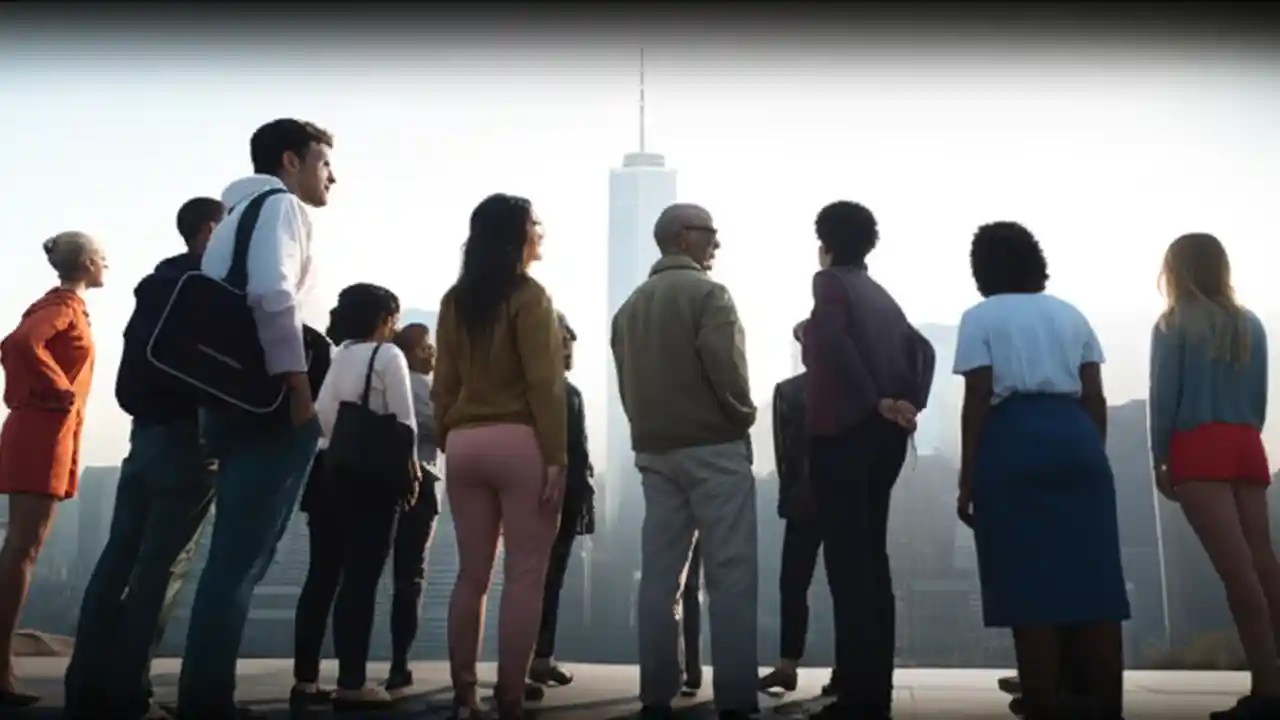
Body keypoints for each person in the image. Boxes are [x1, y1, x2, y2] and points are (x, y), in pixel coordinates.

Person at [176, 118, 336, 720]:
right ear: (291, 161)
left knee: (231, 557)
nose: (332, 177)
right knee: (242, 560)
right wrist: (299, 389)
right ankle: (207, 699)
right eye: (324, 164)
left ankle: (203, 691)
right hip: (270, 403)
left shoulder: (231, 220)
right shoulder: (284, 209)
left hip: (225, 400)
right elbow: (273, 294)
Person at [954, 221, 1129, 720]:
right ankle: (1106, 704)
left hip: (1013, 440)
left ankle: (1043, 700)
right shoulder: (1071, 315)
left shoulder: (981, 317)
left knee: (1027, 580)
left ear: (981, 268)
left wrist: (968, 478)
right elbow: (1095, 396)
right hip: (1076, 438)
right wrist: (1089, 454)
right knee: (1095, 581)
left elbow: (979, 398)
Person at [64, 198, 225, 720]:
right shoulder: (210, 288)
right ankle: (129, 695)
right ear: (209, 230)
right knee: (162, 569)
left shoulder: (157, 286)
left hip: (144, 437)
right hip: (188, 440)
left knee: (117, 563)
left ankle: (86, 688)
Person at [611, 202, 759, 720]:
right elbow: (728, 370)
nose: (717, 243)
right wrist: (744, 416)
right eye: (710, 233)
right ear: (682, 237)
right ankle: (738, 699)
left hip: (655, 452)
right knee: (732, 574)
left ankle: (657, 693)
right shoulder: (709, 294)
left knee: (660, 577)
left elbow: (627, 387)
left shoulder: (628, 308)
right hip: (714, 447)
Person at [433, 193, 566, 720]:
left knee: (472, 575)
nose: (542, 232)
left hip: (464, 444)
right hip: (519, 441)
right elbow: (545, 384)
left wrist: (450, 436)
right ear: (518, 236)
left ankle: (463, 696)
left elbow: (443, 384)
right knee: (526, 573)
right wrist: (556, 454)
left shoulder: (454, 300)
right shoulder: (530, 298)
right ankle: (509, 696)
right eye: (536, 224)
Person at [802, 201, 934, 720]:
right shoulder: (881, 295)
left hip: (845, 434)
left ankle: (857, 697)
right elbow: (921, 350)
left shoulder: (829, 282)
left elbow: (833, 342)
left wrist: (875, 397)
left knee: (847, 565)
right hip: (885, 439)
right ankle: (872, 690)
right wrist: (908, 402)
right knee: (871, 563)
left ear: (825, 242)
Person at [1149, 233, 1280, 720]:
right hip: (1246, 443)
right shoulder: (1251, 326)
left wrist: (1159, 458)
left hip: (1197, 446)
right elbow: (1261, 399)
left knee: (1236, 571)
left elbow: (1163, 398)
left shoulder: (1173, 323)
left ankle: (1268, 690)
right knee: (1265, 564)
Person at [0, 231, 106, 709]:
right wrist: (59, 389)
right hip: (43, 434)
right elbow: (20, 342)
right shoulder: (62, 306)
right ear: (85, 263)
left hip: (45, 432)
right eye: (102, 258)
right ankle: (0, 669)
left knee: (23, 548)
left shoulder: (65, 306)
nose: (107, 264)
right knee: (23, 549)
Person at [312, 283, 419, 710]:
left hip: (331, 473)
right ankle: (353, 681)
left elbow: (322, 419)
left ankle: (326, 678)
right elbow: (405, 421)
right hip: (374, 480)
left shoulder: (339, 357)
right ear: (385, 319)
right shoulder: (388, 355)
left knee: (330, 576)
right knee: (363, 579)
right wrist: (409, 474)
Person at [758, 321, 837, 698]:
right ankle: (802, 665)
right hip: (832, 500)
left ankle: (789, 665)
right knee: (819, 585)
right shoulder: (848, 390)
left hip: (805, 501)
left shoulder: (788, 392)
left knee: (796, 583)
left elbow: (784, 453)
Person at [529, 312, 596, 690]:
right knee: (547, 578)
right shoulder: (565, 394)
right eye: (564, 340)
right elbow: (577, 454)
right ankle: (538, 659)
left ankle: (535, 657)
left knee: (535, 578)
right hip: (557, 495)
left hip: (537, 493)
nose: (569, 349)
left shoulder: (528, 391)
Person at [386, 321, 442, 699]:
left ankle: (350, 672)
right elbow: (443, 431)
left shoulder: (383, 383)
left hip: (376, 482)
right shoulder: (420, 388)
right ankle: (398, 665)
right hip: (419, 485)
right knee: (410, 578)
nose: (431, 351)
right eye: (424, 347)